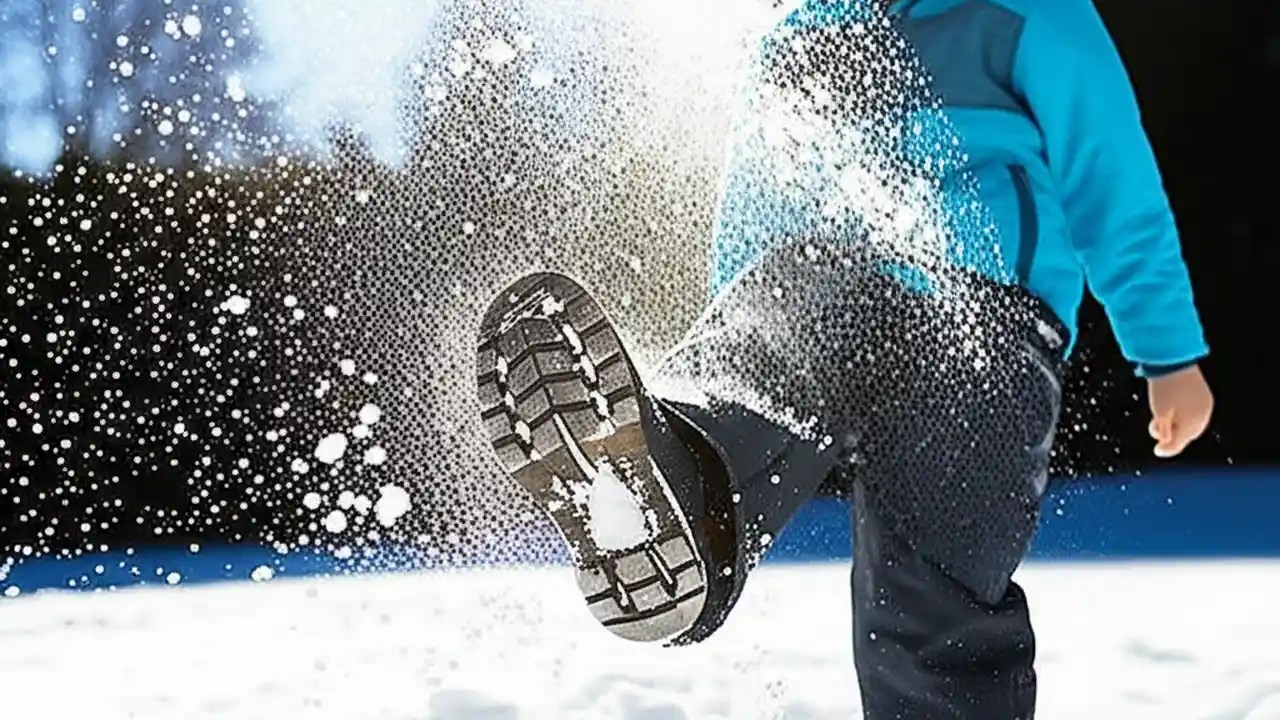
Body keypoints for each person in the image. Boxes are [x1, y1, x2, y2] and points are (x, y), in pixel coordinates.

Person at [475, 0, 1215, 716]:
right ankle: (684, 478)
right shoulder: (798, 36)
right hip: (831, 299)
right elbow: (755, 223)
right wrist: (732, 343)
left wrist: (1168, 351)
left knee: (929, 594)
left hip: (984, 327)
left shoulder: (1028, 11)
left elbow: (1112, 182)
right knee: (793, 296)